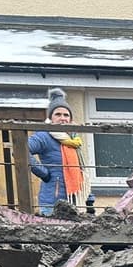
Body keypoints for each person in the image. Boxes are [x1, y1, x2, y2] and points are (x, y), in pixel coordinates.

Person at [28, 88, 85, 216]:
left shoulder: (73, 139)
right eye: (58, 114)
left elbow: (80, 171)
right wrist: (44, 173)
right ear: (51, 118)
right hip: (51, 204)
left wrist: (89, 199)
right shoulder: (44, 136)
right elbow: (22, 150)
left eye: (66, 115)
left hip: (74, 203)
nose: (62, 118)